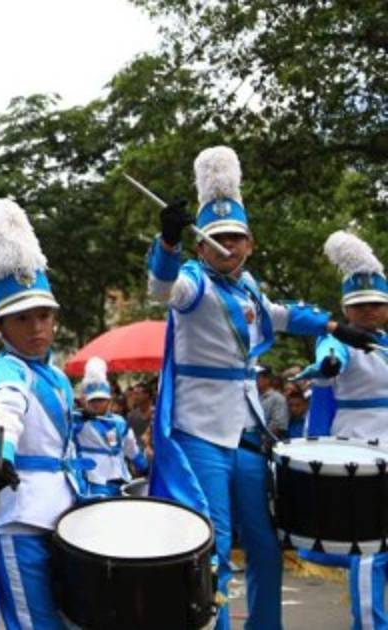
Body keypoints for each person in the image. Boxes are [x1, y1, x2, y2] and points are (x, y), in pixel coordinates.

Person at [145, 146, 379, 630]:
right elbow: (162, 292)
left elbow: (285, 315)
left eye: (237, 238)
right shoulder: (194, 283)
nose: (228, 246)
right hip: (200, 430)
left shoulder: (248, 287)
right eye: (218, 238)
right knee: (214, 541)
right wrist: (167, 244)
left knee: (266, 544)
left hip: (247, 432)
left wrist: (336, 327)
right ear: (202, 245)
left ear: (249, 243)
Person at [0, 198, 89, 629]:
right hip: (21, 514)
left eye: (44, 315)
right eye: (22, 319)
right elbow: (6, 411)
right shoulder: (5, 369)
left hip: (65, 510)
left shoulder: (60, 379)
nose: (37, 328)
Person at [294, 230, 388, 630]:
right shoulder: (339, 344)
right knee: (369, 549)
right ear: (346, 311)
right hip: (361, 451)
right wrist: (329, 364)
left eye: (375, 304)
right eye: (359, 305)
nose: (367, 312)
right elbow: (329, 356)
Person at [72, 357, 148, 496]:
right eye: (93, 400)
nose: (97, 404)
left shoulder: (119, 422)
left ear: (109, 400)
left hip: (120, 480)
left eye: (101, 400)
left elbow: (130, 447)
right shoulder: (79, 420)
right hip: (93, 482)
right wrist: (79, 415)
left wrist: (143, 466)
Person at [257, 368, 289, 439]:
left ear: (267, 379)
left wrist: (263, 438)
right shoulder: (254, 396)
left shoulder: (278, 398)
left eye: (258, 377)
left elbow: (278, 425)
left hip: (268, 443)